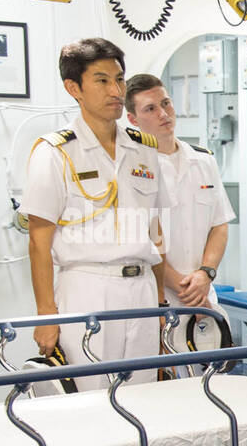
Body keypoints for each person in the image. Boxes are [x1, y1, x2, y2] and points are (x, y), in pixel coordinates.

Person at [21, 38, 172, 391]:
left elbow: (156, 232)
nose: (115, 90)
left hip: (142, 291)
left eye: (119, 79)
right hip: (88, 286)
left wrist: (162, 302)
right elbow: (38, 241)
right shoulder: (56, 152)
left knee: (145, 396)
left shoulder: (144, 150)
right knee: (90, 401)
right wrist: (47, 315)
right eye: (101, 80)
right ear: (74, 88)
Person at [124, 74, 234, 316]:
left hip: (203, 293)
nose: (163, 114)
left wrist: (206, 273)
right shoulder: (130, 168)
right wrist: (183, 288)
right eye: (150, 109)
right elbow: (142, 237)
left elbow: (219, 225)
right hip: (156, 296)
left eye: (166, 103)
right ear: (133, 119)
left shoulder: (203, 160)